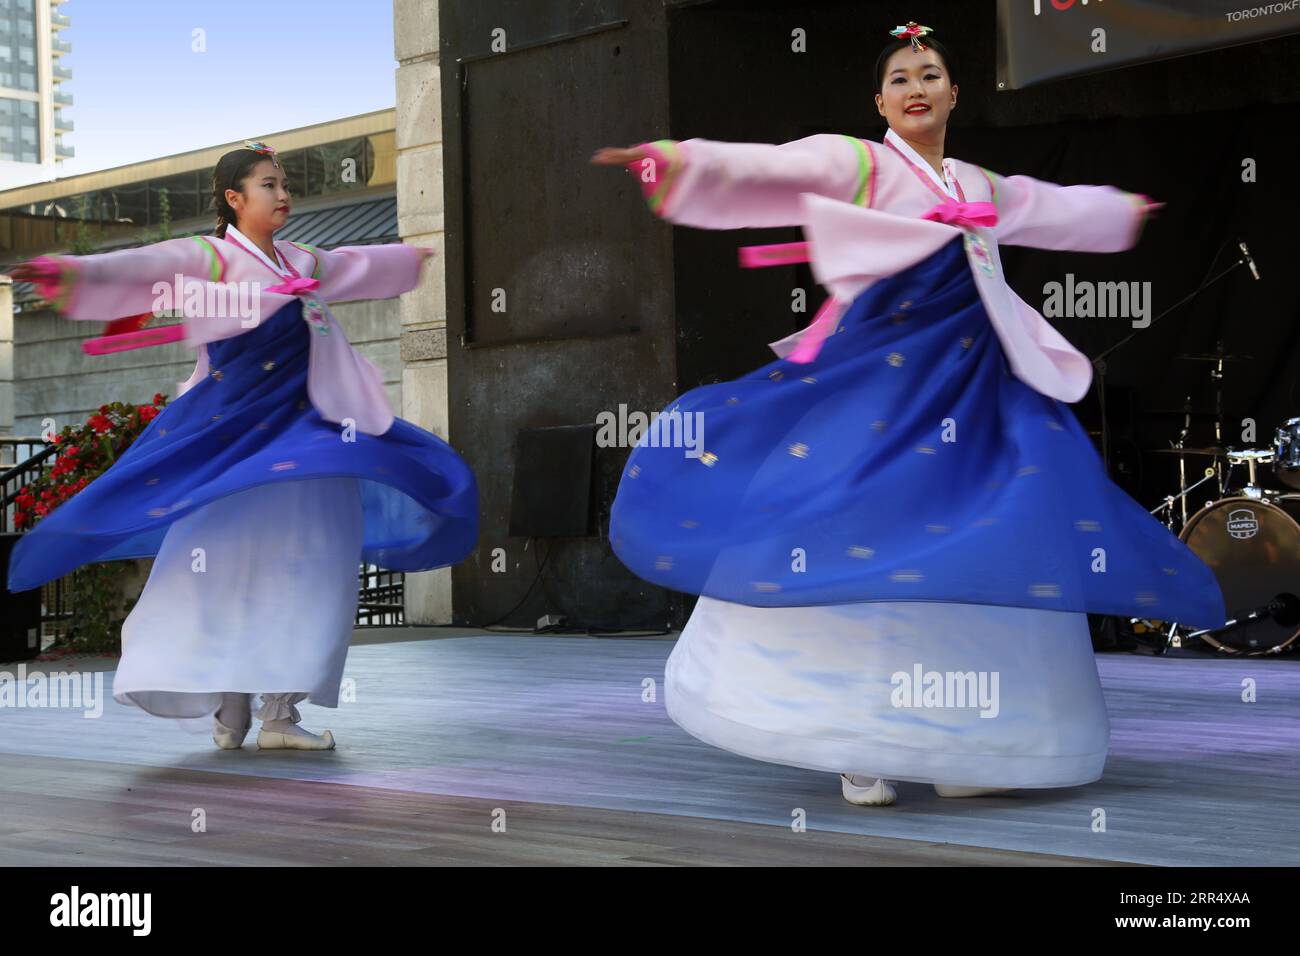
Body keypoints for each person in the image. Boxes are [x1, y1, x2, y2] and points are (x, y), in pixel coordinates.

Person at [592, 23, 1225, 805]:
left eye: (930, 73)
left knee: (994, 533)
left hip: (974, 387)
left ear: (955, 93)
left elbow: (1048, 207)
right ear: (880, 100)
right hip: (881, 389)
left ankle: (970, 746)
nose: (915, 86)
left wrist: (1120, 211)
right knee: (858, 537)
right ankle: (855, 744)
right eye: (899, 77)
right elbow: (770, 169)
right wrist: (679, 162)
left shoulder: (980, 187)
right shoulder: (856, 163)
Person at [8, 141, 478, 752]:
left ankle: (280, 713)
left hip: (313, 434)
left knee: (317, 560)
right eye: (267, 185)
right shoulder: (207, 258)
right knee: (220, 564)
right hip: (232, 440)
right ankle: (230, 707)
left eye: (284, 184)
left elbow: (354, 264)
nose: (283, 195)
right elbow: (140, 266)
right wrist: (70, 273)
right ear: (234, 199)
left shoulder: (300, 259)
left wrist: (409, 257)